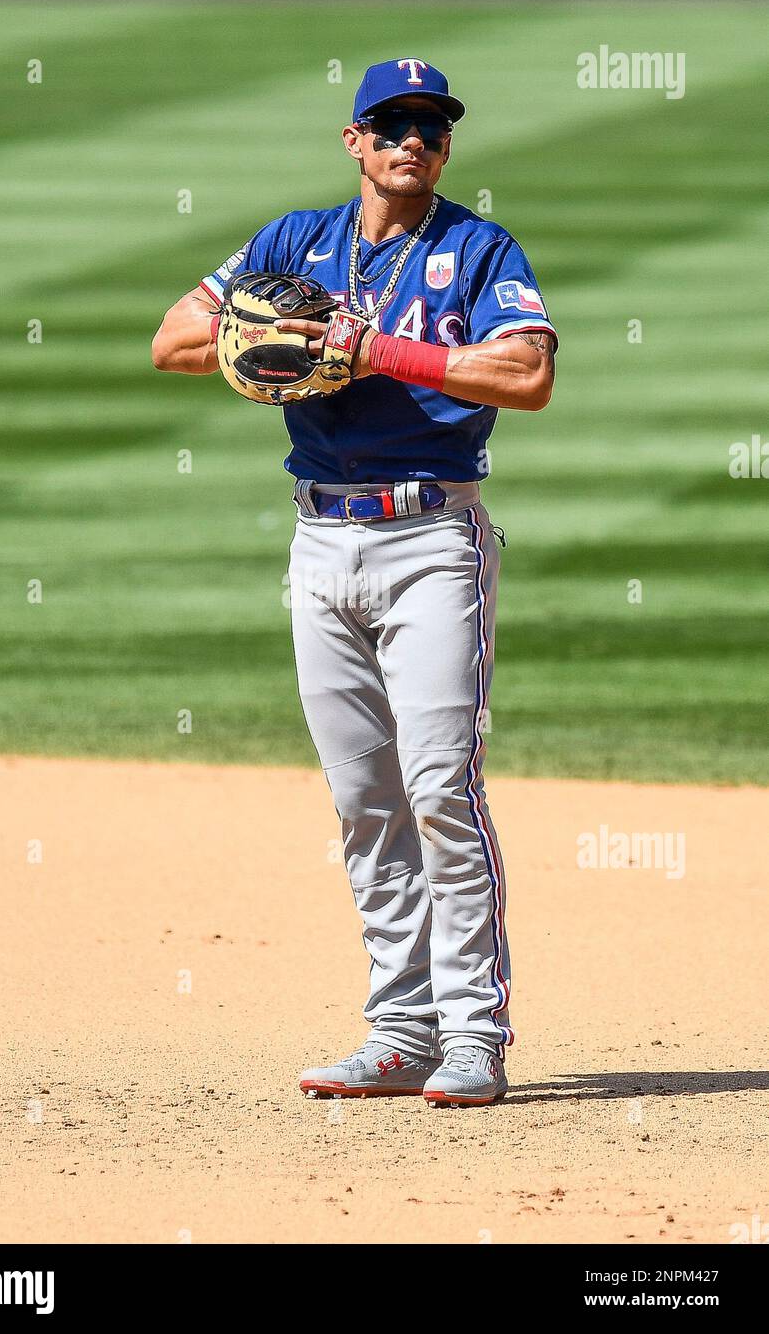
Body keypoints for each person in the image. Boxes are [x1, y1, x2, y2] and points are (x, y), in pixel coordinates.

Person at [152, 57, 557, 1107]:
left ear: (445, 146)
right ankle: (399, 1031)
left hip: (431, 541)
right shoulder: (293, 244)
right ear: (353, 138)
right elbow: (174, 341)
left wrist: (378, 351)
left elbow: (526, 376)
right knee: (363, 798)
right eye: (390, 123)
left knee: (437, 791)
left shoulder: (477, 249)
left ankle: (473, 1036)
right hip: (318, 543)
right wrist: (262, 347)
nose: (409, 140)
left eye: (429, 126)